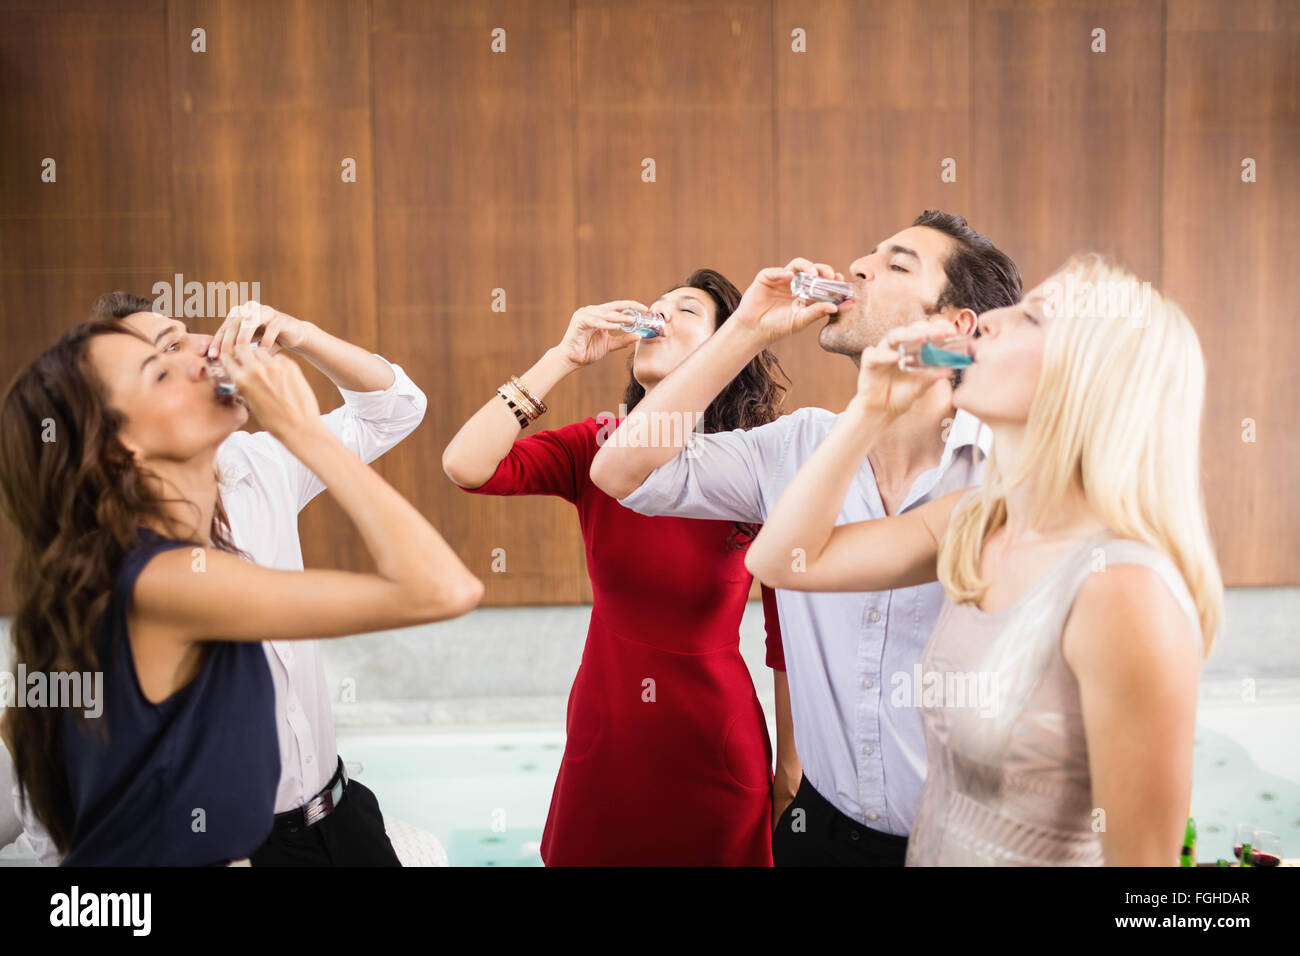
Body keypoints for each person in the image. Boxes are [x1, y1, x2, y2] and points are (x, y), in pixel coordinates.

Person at [745, 253, 1223, 865]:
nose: (991, 322)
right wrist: (870, 411)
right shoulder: (978, 520)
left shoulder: (1121, 590)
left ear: (1095, 377)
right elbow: (783, 561)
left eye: (1033, 319)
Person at [590, 211, 1022, 865]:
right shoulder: (792, 448)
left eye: (897, 263)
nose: (858, 267)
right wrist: (747, 328)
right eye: (868, 254)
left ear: (956, 328)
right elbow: (620, 470)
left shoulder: (1013, 475)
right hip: (821, 835)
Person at [0, 316, 482, 865]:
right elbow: (440, 589)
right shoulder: (160, 583)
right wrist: (300, 428)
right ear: (119, 449)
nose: (202, 357)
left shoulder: (168, 560)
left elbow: (394, 410)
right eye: (161, 370)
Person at [443, 269, 798, 865]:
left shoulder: (757, 463)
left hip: (713, 731)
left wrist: (790, 764)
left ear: (728, 342)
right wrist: (562, 357)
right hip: (606, 728)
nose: (657, 318)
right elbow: (467, 465)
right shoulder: (597, 446)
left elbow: (786, 635)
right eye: (654, 308)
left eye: (686, 310)